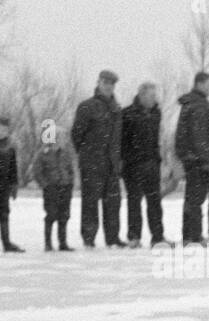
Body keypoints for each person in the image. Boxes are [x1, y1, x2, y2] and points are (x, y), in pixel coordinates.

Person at [71, 69, 125, 248]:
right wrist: (88, 154)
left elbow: (119, 138)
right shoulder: (87, 106)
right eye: (106, 83)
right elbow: (76, 134)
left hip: (112, 163)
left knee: (113, 203)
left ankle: (113, 238)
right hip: (92, 163)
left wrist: (117, 159)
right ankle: (89, 238)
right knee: (90, 202)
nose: (109, 86)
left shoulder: (117, 109)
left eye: (112, 84)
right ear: (99, 83)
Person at [121, 82, 168, 247]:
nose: (154, 99)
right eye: (151, 95)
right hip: (133, 165)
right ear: (141, 95)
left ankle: (158, 237)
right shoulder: (127, 114)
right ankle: (134, 237)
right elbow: (122, 142)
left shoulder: (156, 114)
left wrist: (158, 160)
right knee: (134, 202)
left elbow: (157, 140)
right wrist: (125, 162)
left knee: (155, 202)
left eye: (155, 96)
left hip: (152, 164)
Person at [174, 72, 209, 245]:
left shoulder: (191, 103)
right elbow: (199, 136)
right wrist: (206, 159)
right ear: (199, 84)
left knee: (191, 199)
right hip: (198, 160)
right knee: (196, 199)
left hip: (191, 158)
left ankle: (188, 235)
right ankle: (195, 236)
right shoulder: (198, 105)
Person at [32, 125, 77, 251]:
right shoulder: (42, 154)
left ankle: (63, 243)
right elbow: (37, 172)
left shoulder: (65, 153)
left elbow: (70, 170)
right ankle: (48, 243)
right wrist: (45, 185)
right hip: (51, 189)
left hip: (65, 187)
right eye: (59, 137)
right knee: (51, 215)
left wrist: (70, 183)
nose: (62, 139)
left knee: (64, 216)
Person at [0, 116, 21, 252]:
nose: (2, 131)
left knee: (4, 213)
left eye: (4, 128)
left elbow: (13, 169)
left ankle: (6, 243)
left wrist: (14, 185)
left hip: (4, 186)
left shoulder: (10, 148)